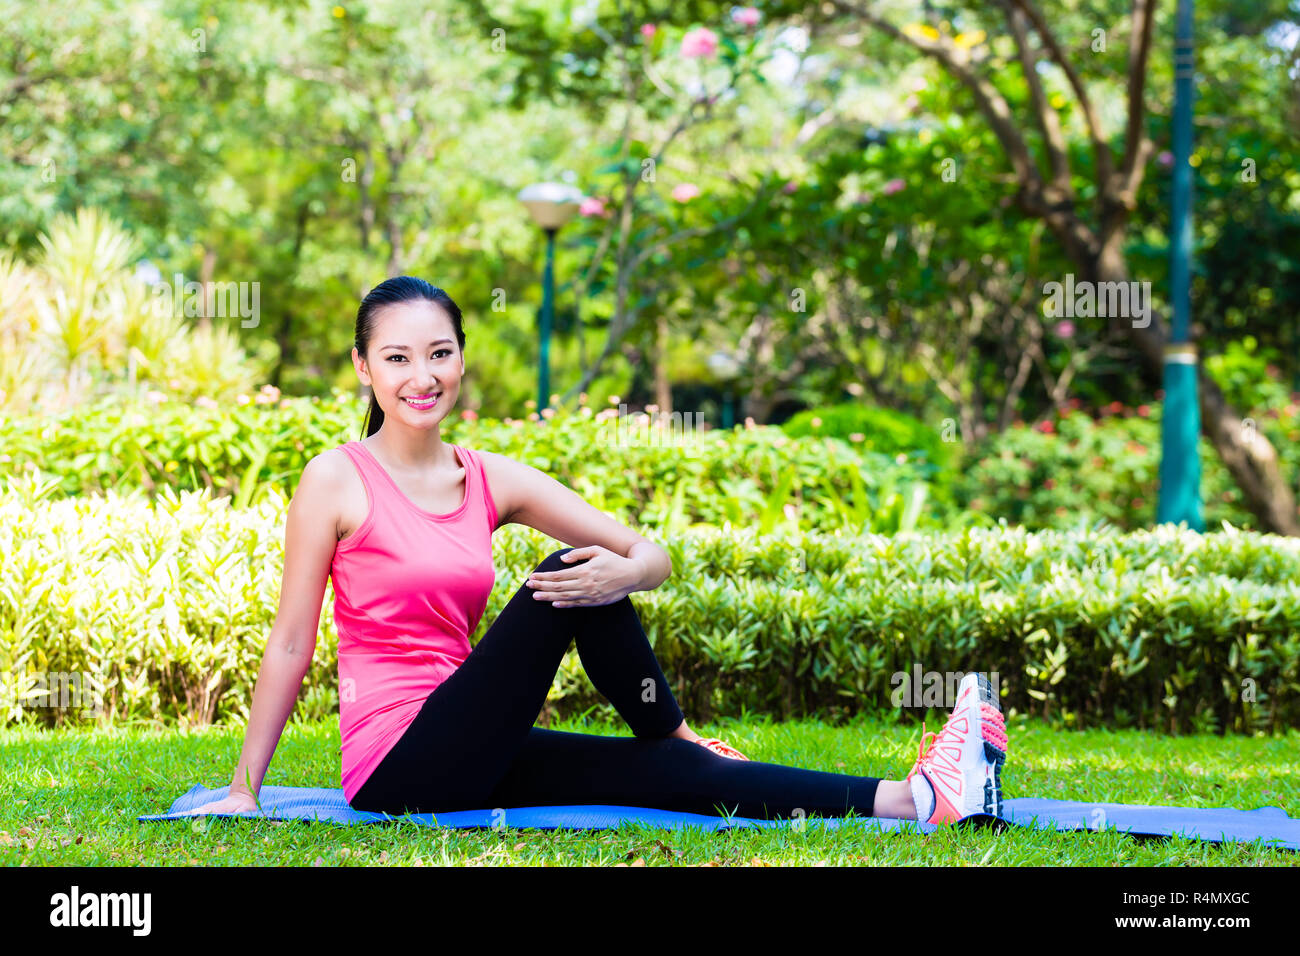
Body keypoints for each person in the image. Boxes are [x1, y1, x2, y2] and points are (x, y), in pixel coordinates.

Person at [182, 276, 1008, 826]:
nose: (421, 376)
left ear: (462, 359)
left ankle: (920, 798)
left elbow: (651, 555)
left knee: (674, 779)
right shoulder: (336, 480)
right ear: (366, 368)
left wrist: (627, 569)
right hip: (395, 762)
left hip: (474, 739)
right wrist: (245, 790)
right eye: (397, 358)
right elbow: (291, 639)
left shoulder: (491, 478)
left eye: (439, 353)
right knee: (562, 578)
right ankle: (678, 733)